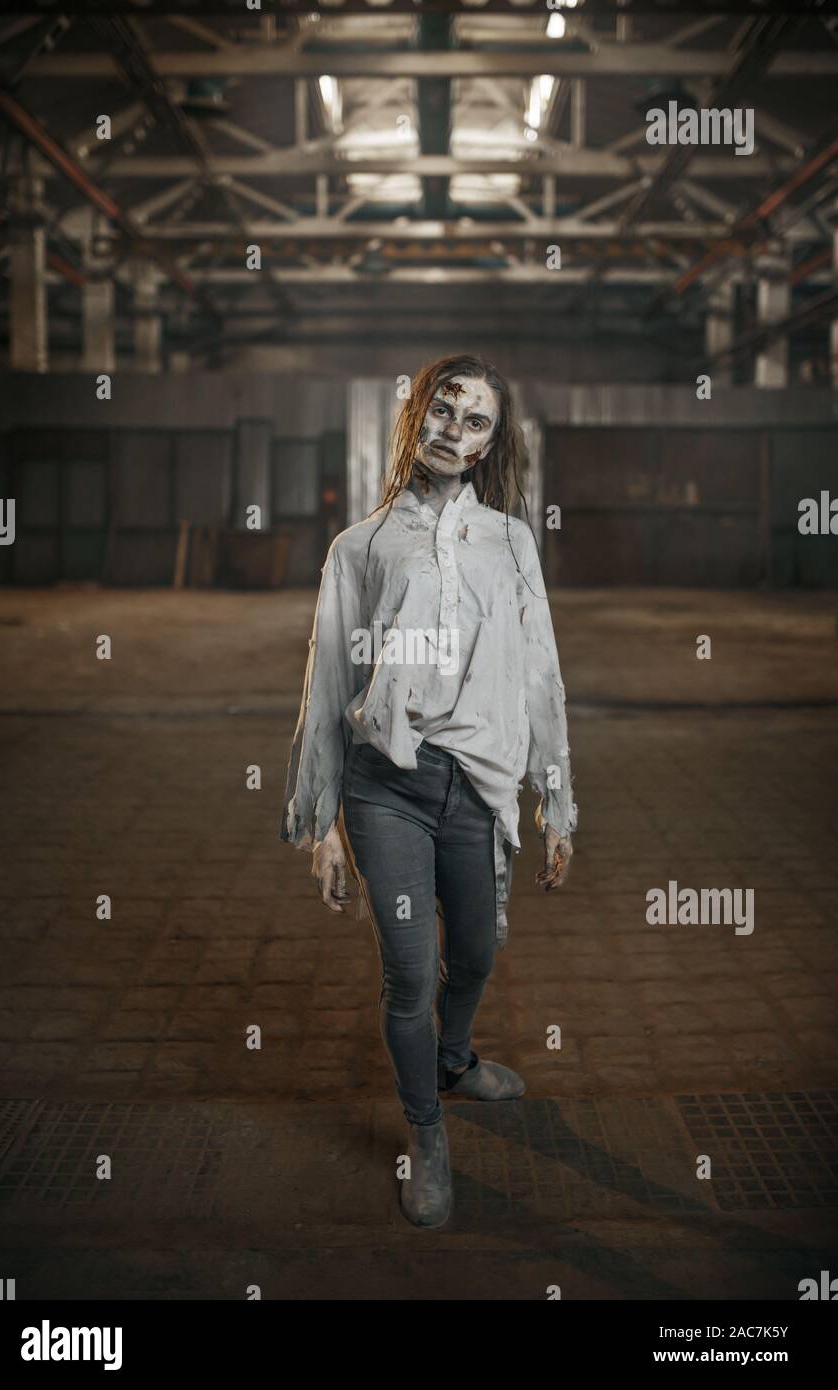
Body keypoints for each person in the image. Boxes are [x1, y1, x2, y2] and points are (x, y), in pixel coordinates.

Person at [281, 354, 576, 1228]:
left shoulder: (509, 543)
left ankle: (455, 1058)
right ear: (417, 417)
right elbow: (326, 681)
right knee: (408, 974)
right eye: (443, 410)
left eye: (476, 420)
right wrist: (320, 825)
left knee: (476, 954)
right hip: (387, 789)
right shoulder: (360, 547)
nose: (455, 430)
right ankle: (426, 1133)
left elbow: (539, 676)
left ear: (491, 443)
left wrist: (554, 798)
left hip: (477, 788)